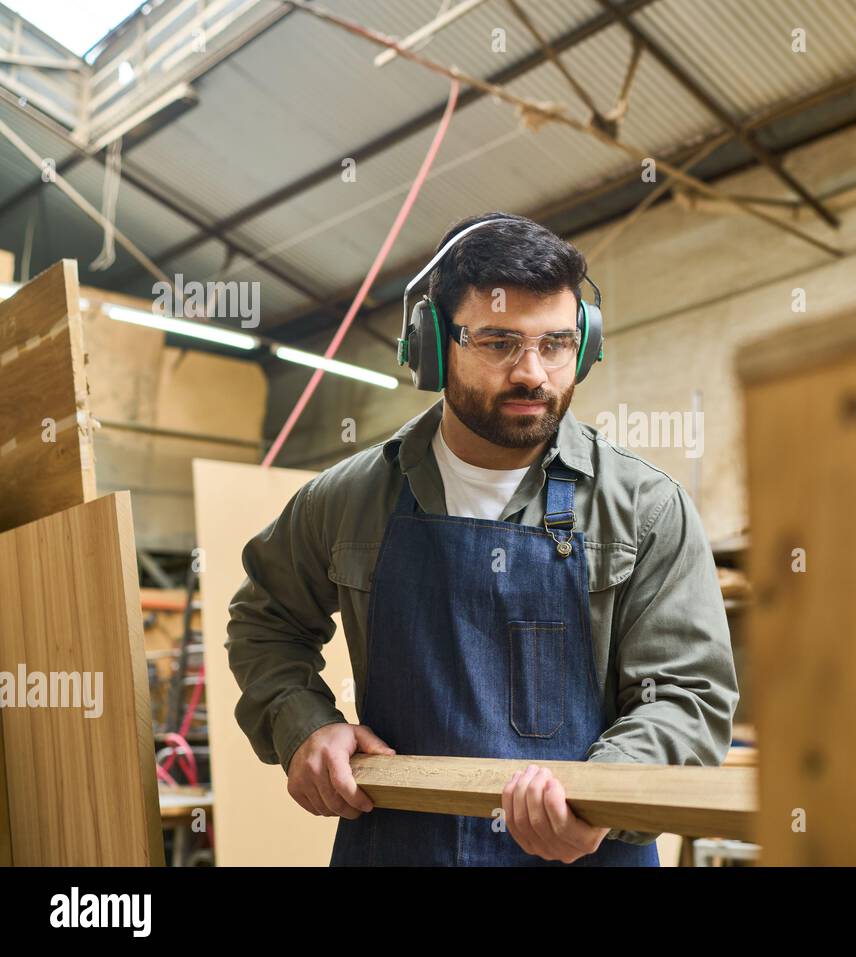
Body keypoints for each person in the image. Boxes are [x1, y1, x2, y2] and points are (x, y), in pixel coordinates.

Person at [226, 211, 739, 865]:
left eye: (556, 344)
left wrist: (602, 793)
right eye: (499, 342)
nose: (533, 372)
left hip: (585, 851)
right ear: (434, 346)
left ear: (583, 345)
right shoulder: (349, 500)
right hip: (399, 849)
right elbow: (264, 620)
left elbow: (687, 693)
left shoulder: (644, 508)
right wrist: (304, 724)